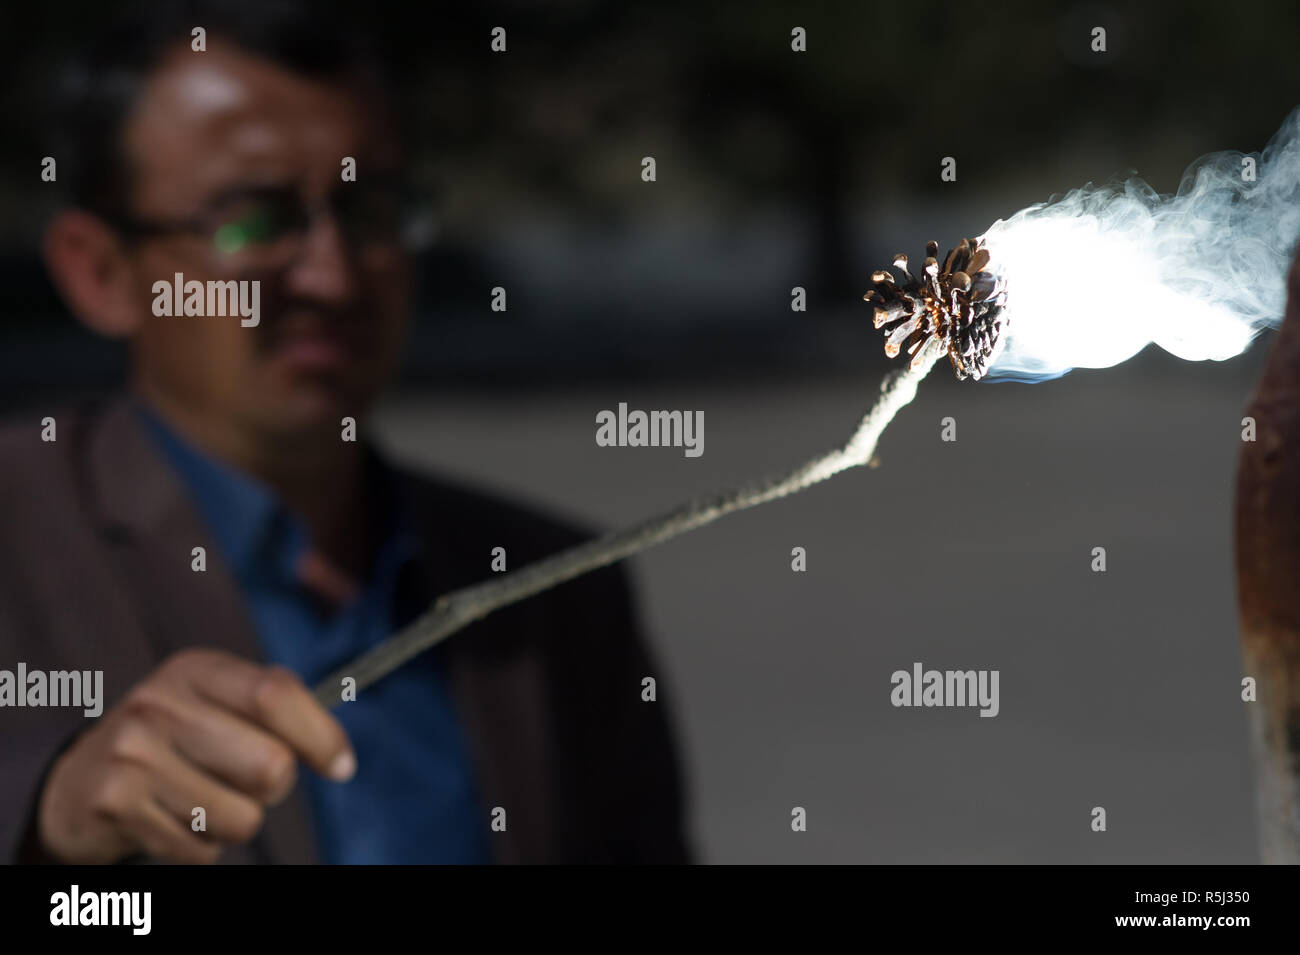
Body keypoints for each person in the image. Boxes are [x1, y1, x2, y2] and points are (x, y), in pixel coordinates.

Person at [0, 0, 691, 864]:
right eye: (254, 220)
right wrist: (52, 810)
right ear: (99, 272)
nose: (331, 275)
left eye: (370, 212)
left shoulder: (551, 591)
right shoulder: (23, 538)